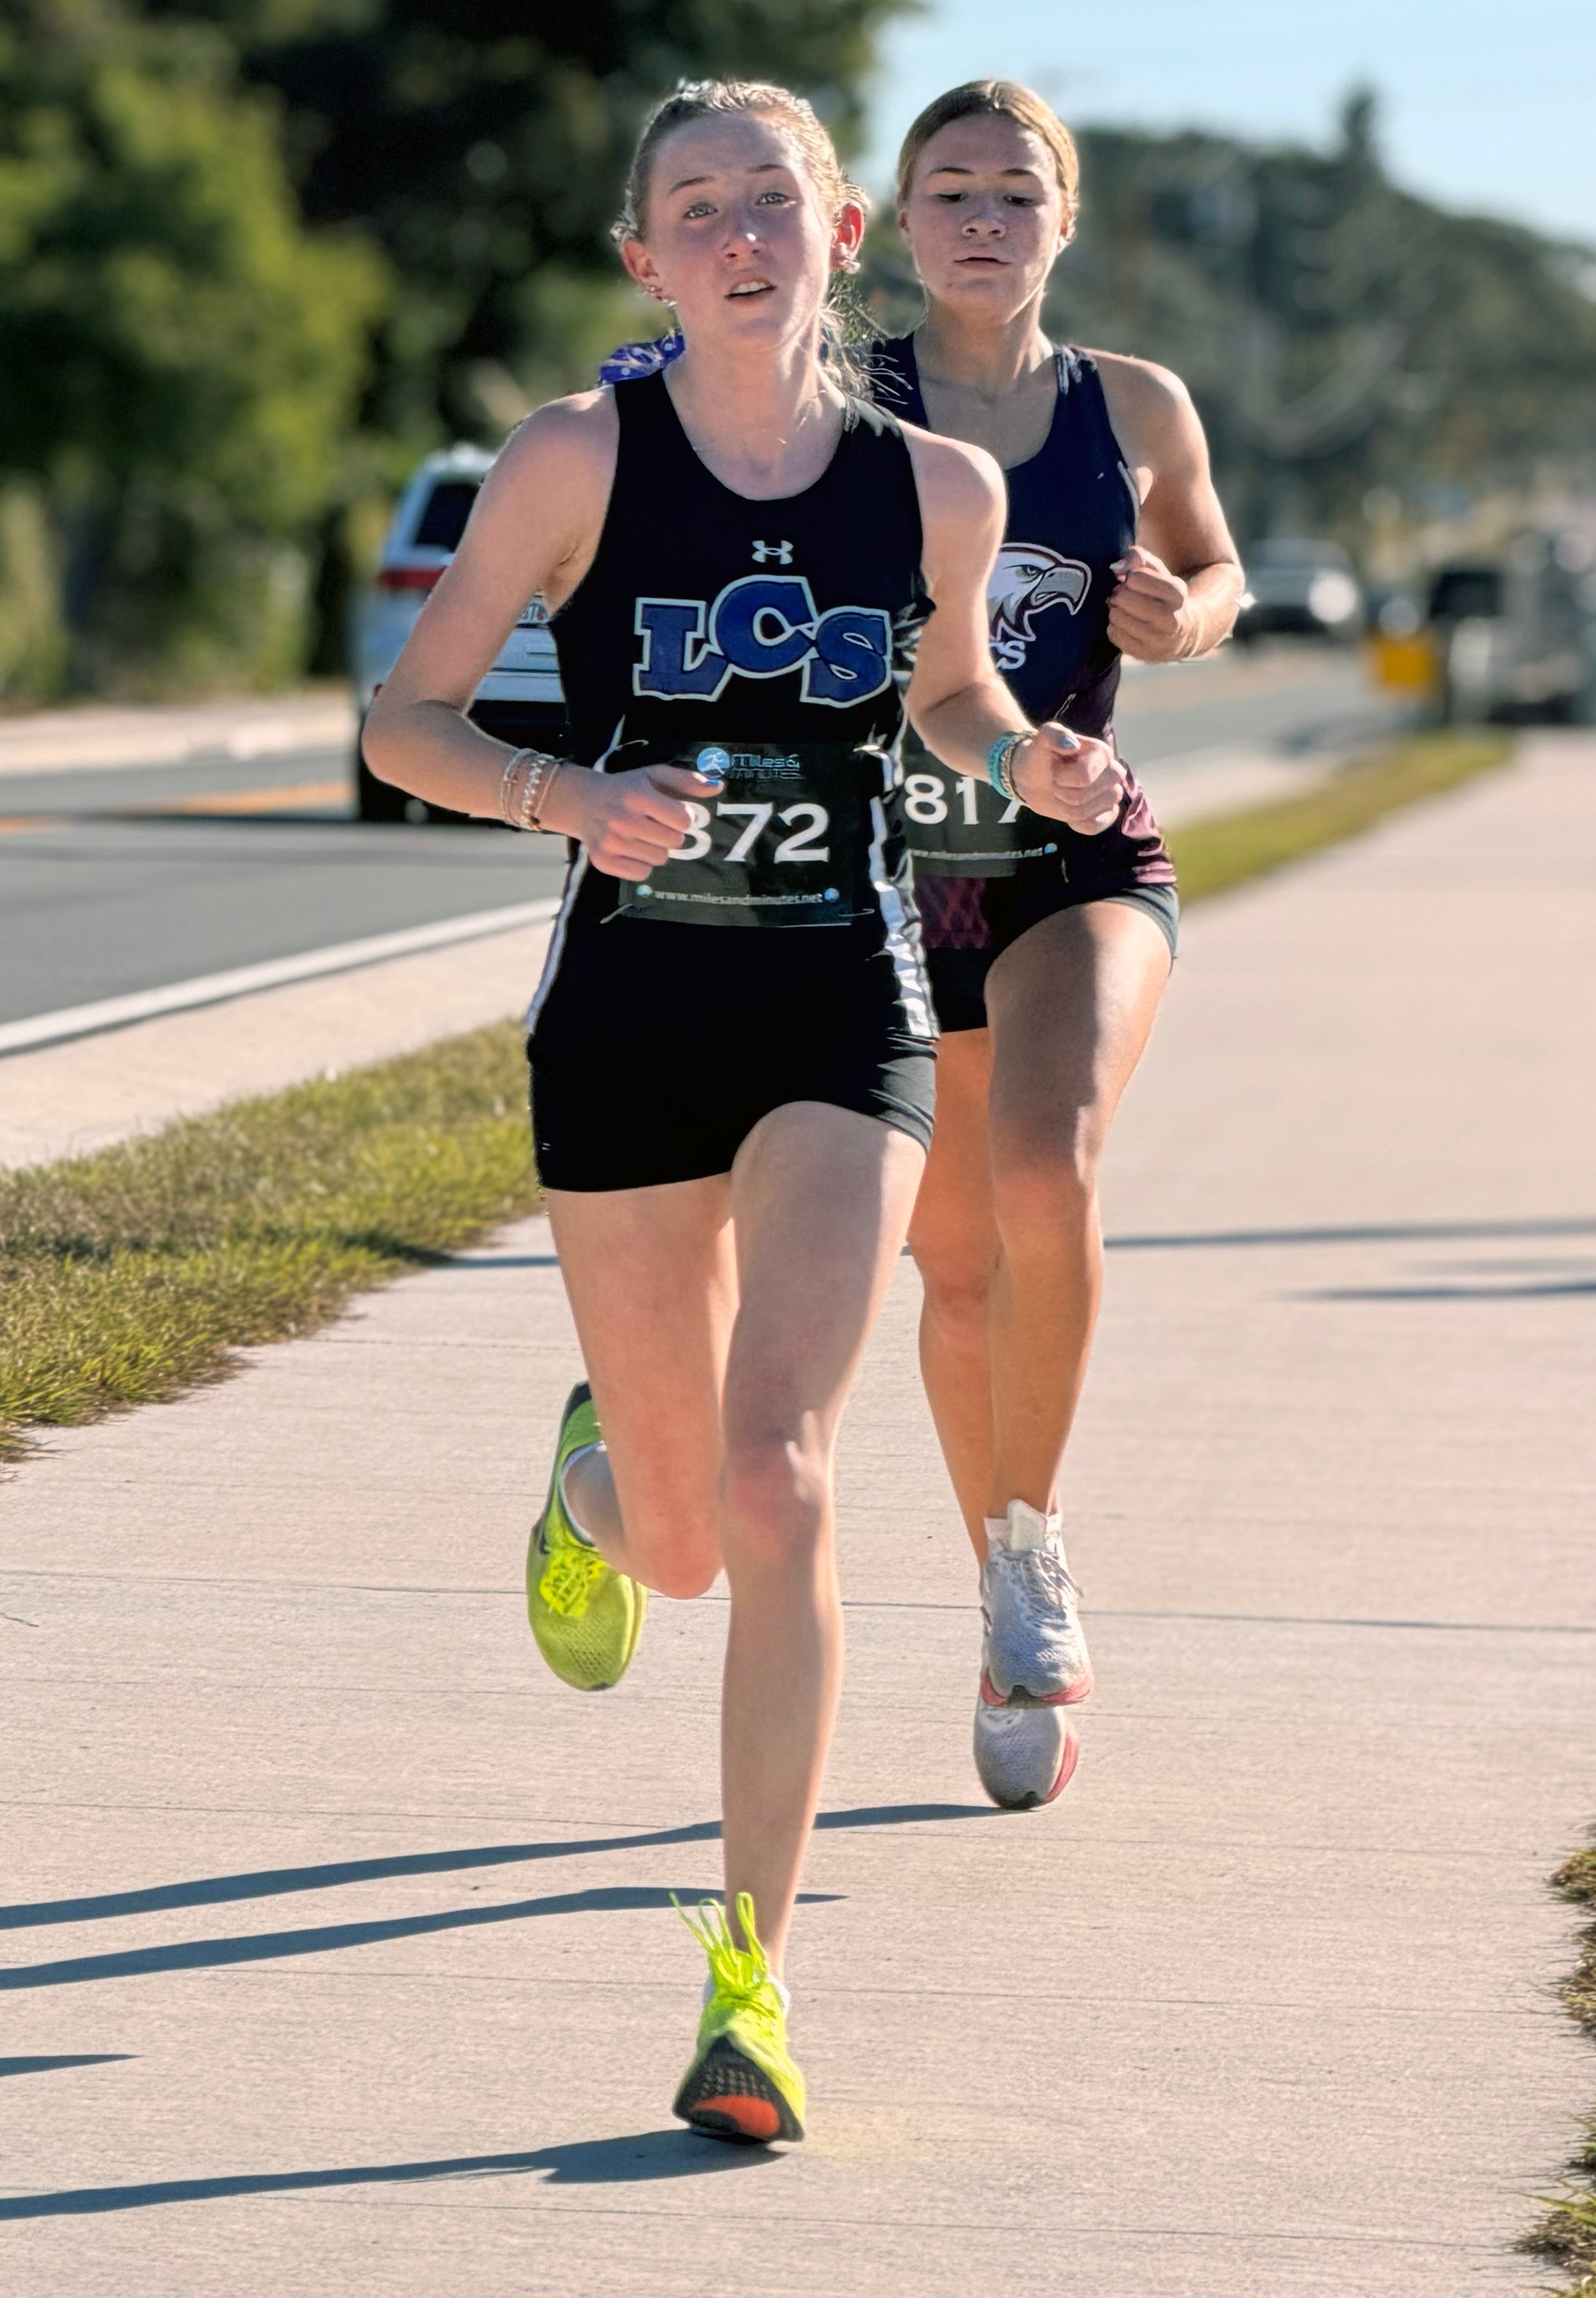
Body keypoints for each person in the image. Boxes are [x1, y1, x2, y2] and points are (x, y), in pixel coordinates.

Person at [364, 79, 1123, 2144]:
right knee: (688, 1539)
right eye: (692, 209)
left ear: (837, 230)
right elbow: (407, 720)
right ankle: (595, 1489)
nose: (735, 236)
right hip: (625, 1018)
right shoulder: (574, 458)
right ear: (645, 260)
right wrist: (565, 795)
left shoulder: (937, 485)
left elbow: (946, 691)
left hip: (834, 1005)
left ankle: (749, 1988)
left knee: (785, 1477)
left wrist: (1028, 761)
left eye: (768, 200)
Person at [873, 81, 1244, 1810]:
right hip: (892, 876)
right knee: (955, 1272)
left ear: (1062, 222)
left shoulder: (1132, 404)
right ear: (896, 221)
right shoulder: (835, 401)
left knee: (1048, 1163)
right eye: (948, 188)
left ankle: (1033, 1550)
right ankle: (998, 1609)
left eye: (1015, 192)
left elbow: (1214, 567)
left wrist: (1189, 615)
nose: (982, 218)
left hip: (1076, 845)